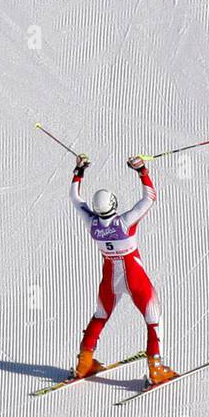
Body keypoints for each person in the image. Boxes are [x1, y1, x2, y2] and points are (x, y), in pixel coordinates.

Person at [69, 153, 177, 385]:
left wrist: (79, 171)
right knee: (153, 317)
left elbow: (76, 199)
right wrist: (141, 171)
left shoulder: (92, 223)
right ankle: (156, 368)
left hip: (110, 277)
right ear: (114, 204)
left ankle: (84, 362)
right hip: (134, 275)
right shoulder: (125, 222)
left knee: (100, 315)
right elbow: (149, 198)